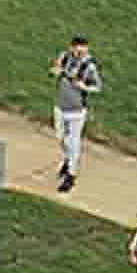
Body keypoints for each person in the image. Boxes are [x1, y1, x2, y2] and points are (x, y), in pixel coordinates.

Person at [49, 35, 103, 193]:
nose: (80, 50)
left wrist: (83, 86)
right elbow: (54, 69)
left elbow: (98, 87)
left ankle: (71, 176)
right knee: (60, 138)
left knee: (73, 142)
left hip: (77, 110)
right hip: (60, 106)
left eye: (83, 47)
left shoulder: (89, 66)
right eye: (77, 47)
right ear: (71, 47)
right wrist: (55, 71)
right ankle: (68, 159)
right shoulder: (64, 57)